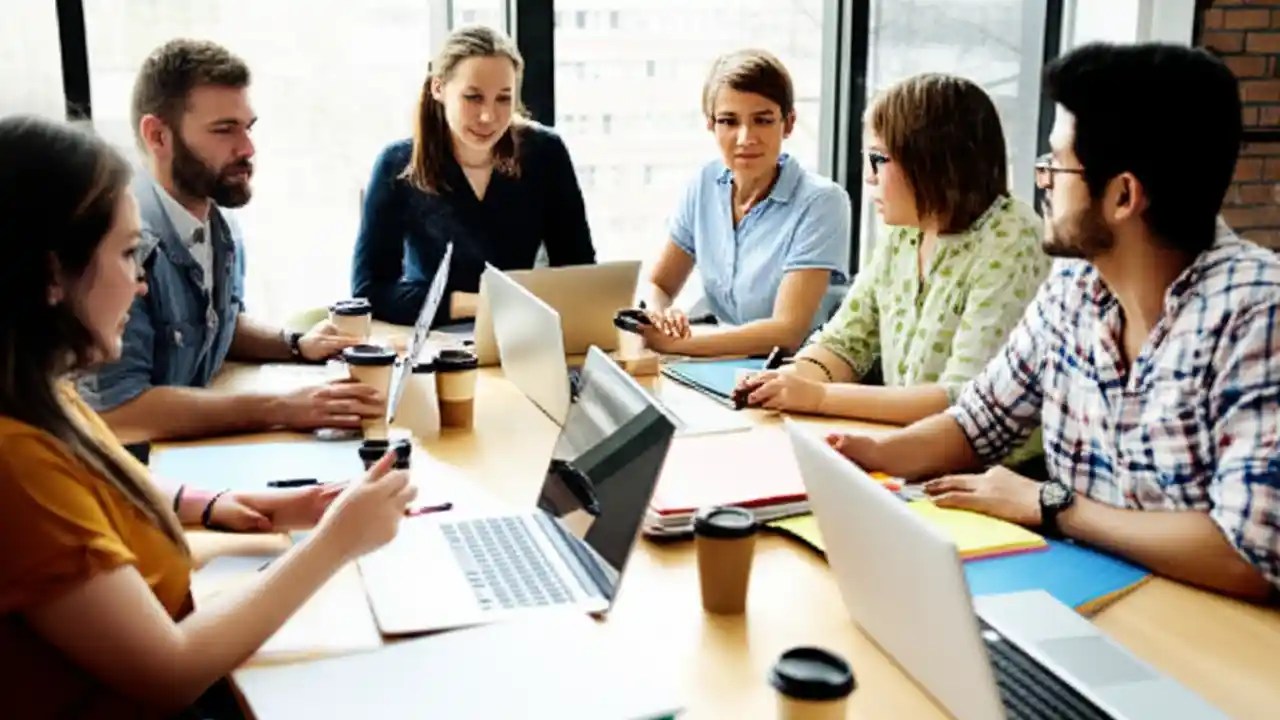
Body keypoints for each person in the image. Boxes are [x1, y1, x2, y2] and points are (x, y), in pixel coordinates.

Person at [826, 43, 1280, 601]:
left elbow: (1250, 552)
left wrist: (1052, 505)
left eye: (1056, 165)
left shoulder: (1259, 313)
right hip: (1084, 599)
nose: (1042, 182)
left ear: (1123, 195)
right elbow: (977, 422)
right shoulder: (1074, 288)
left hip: (1214, 642)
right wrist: (866, 454)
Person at [0, 115, 418, 717]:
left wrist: (241, 507)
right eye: (125, 256)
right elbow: (170, 670)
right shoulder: (15, 461)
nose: (140, 285)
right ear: (50, 278)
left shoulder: (39, 393)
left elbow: (107, 498)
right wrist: (333, 544)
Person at [76, 39, 381, 443]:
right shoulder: (119, 248)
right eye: (224, 130)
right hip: (136, 478)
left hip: (198, 456)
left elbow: (214, 325)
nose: (247, 148)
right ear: (158, 136)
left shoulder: (219, 223)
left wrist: (295, 345)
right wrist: (281, 407)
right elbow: (118, 411)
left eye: (248, 128)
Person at [740, 73, 1050, 433]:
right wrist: (784, 381)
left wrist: (818, 397)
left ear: (929, 159)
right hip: (909, 447)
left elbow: (962, 400)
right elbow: (844, 343)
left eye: (878, 159)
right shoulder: (903, 229)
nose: (869, 177)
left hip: (990, 473)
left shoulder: (1013, 238)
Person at [352, 25, 596, 327]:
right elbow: (369, 291)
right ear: (438, 88)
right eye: (473, 97)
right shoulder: (397, 164)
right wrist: (476, 303)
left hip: (518, 334)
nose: (488, 117)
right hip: (431, 340)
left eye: (503, 99)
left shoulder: (545, 153)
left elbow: (580, 274)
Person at [640, 49, 851, 357]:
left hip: (795, 373)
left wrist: (682, 345)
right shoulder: (704, 185)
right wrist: (659, 316)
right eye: (729, 121)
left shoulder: (822, 203)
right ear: (711, 124)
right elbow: (659, 283)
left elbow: (787, 332)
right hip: (723, 365)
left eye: (762, 120)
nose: (745, 138)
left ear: (788, 123)